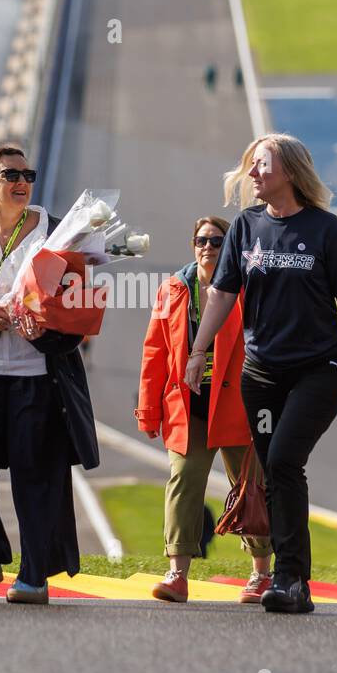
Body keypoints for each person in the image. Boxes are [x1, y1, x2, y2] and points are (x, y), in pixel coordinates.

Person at [185, 134, 337, 614]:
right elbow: (222, 295)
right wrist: (197, 351)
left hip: (321, 368)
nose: (252, 173)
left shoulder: (325, 228)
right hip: (262, 373)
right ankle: (288, 578)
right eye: (250, 165)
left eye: (262, 165)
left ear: (289, 172)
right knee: (274, 471)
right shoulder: (245, 228)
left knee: (286, 460)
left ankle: (292, 579)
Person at [0, 144, 98, 605]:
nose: (23, 181)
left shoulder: (60, 231)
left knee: (36, 472)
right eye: (11, 175)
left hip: (38, 375)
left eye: (28, 173)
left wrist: (43, 322)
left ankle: (33, 576)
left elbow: (79, 303)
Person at [137, 215, 274, 604]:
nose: (208, 248)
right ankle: (177, 574)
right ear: (192, 244)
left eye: (217, 241)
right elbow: (155, 352)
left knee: (250, 488)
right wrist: (148, 411)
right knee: (184, 481)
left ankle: (261, 572)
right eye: (201, 241)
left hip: (239, 407)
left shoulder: (250, 287)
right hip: (189, 405)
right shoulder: (173, 290)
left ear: (230, 246)